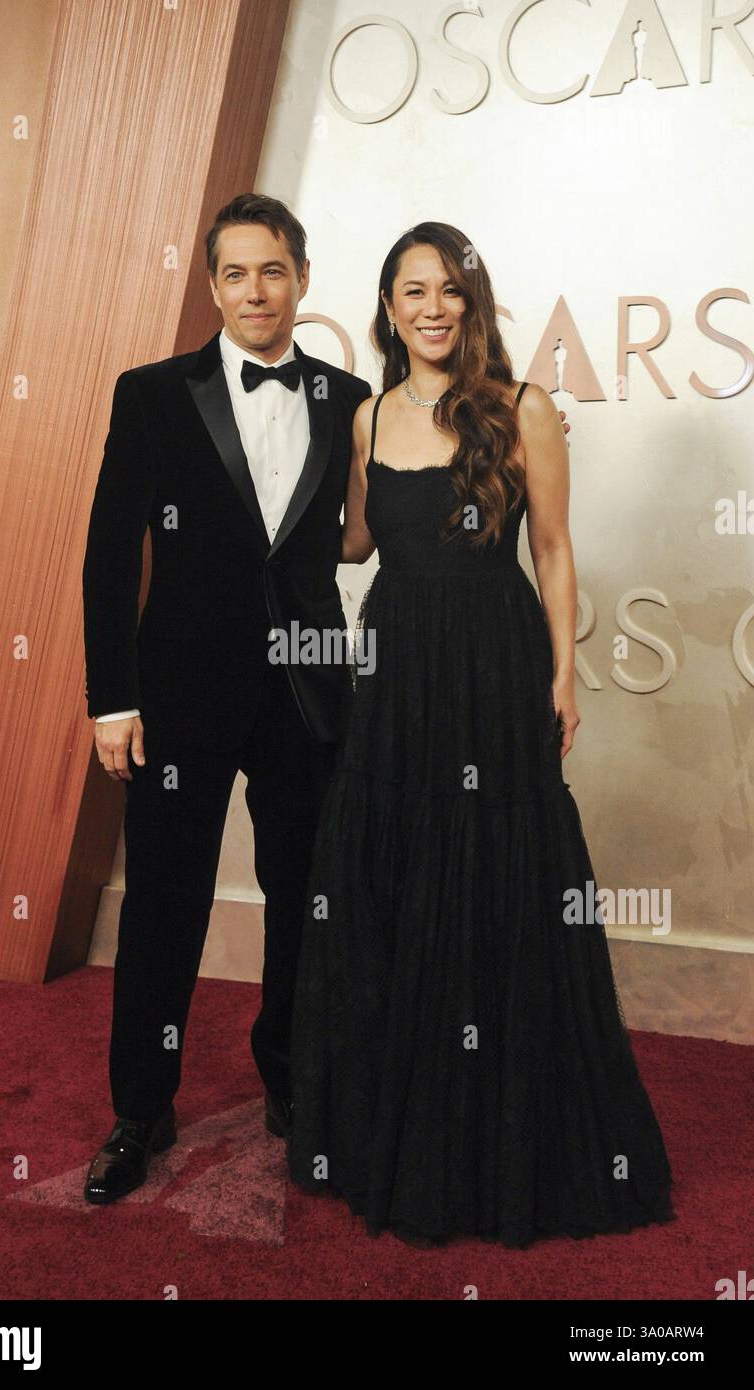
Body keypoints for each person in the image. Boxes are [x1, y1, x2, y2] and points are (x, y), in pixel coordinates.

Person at [81, 195, 571, 1206]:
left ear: (302, 280)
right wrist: (111, 698)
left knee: (316, 898)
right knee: (163, 901)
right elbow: (105, 555)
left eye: (273, 271)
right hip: (176, 694)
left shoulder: (352, 399)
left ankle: (296, 1086)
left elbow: (361, 537)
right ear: (211, 285)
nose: (255, 291)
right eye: (234, 274)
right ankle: (141, 1108)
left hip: (310, 688)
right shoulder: (150, 394)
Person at [286, 222, 674, 1250]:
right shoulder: (369, 417)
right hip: (398, 664)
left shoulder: (520, 408)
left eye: (448, 288)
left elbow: (551, 547)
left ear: (472, 301)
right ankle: (393, 1121)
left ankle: (500, 1134)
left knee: (497, 874)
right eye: (411, 290)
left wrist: (562, 671)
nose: (431, 306)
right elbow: (358, 540)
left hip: (493, 662)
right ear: (388, 306)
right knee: (397, 873)